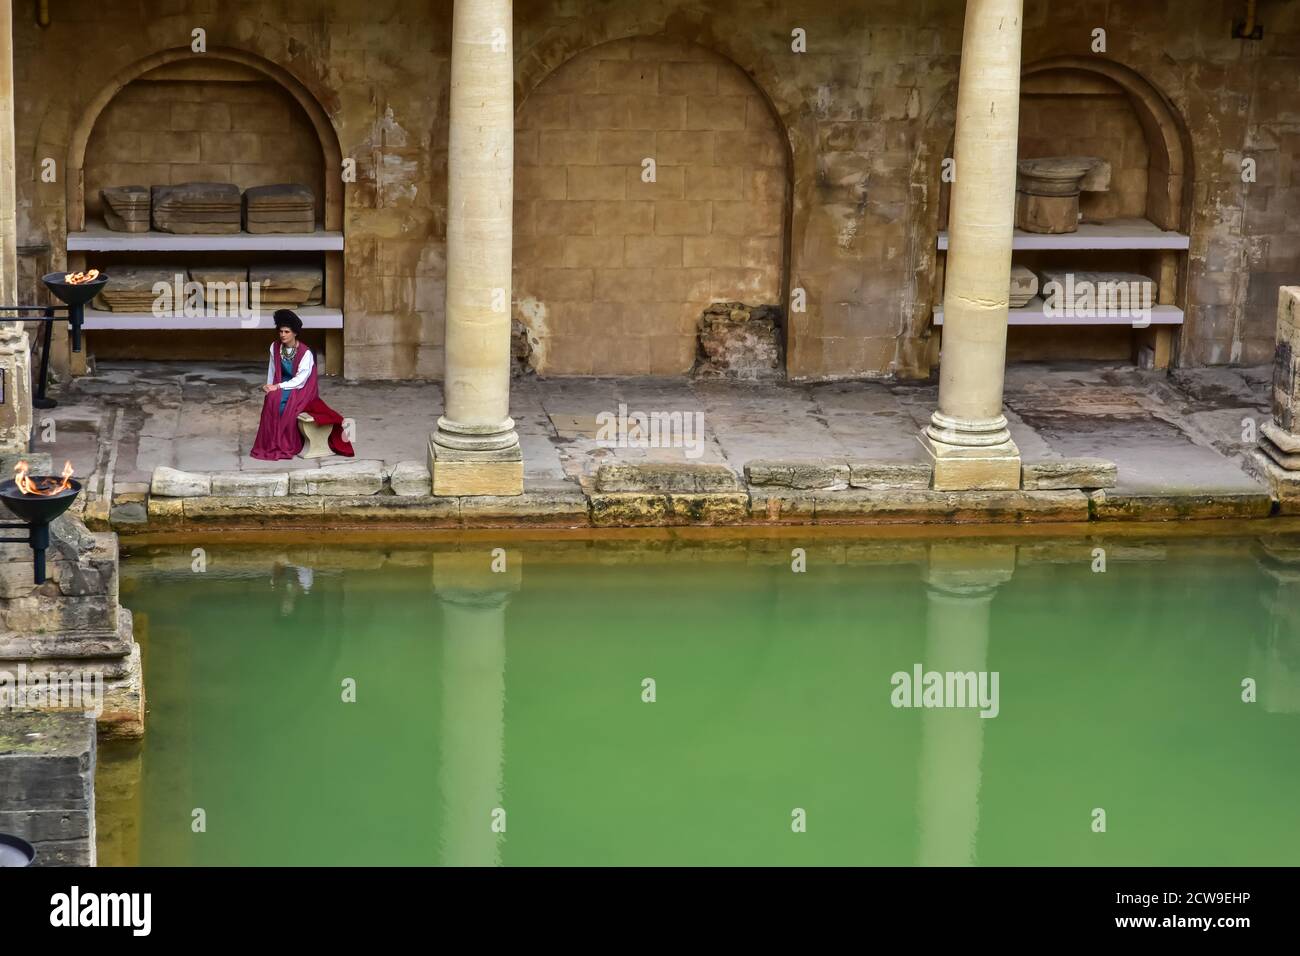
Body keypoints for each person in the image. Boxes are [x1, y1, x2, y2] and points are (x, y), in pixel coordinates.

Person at [250, 309, 355, 461]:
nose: (283, 335)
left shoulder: (305, 353)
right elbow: (272, 370)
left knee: (279, 400)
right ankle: (270, 443)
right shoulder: (275, 347)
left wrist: (278, 387)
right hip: (281, 384)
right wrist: (269, 386)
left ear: (295, 333)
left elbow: (300, 380)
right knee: (271, 398)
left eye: (287, 331)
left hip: (301, 388)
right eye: (281, 331)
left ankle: (285, 444)